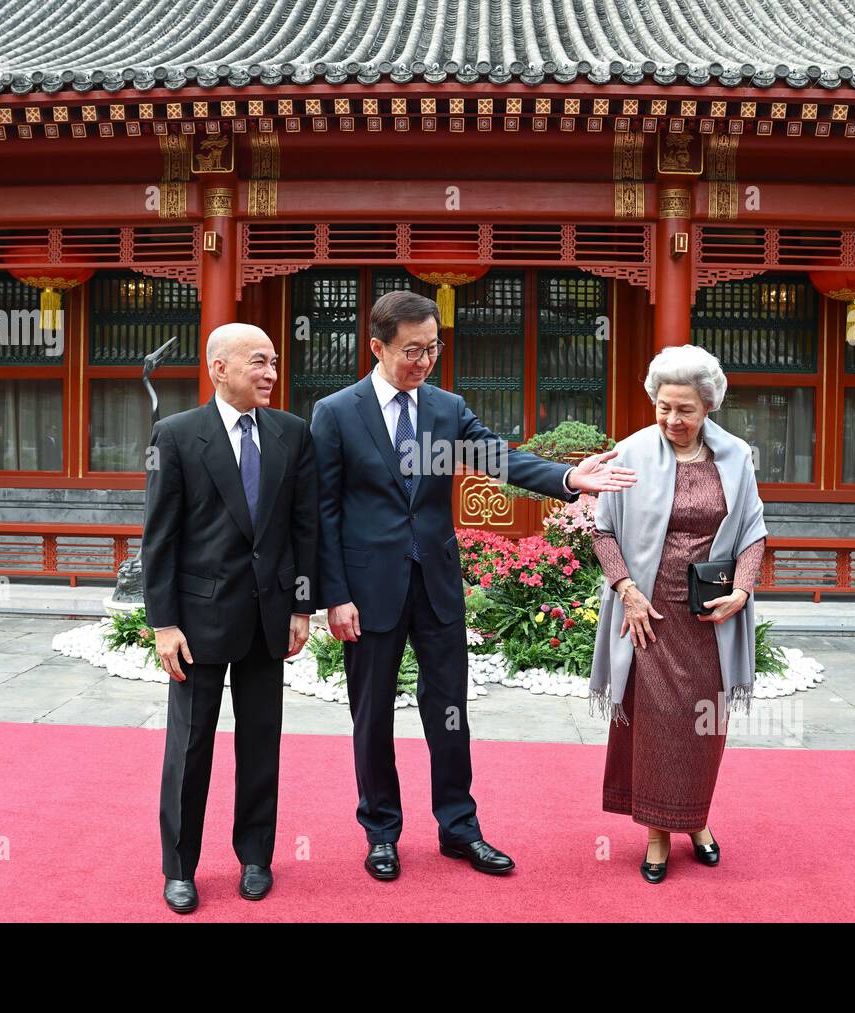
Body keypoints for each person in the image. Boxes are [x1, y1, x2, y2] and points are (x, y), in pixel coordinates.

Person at [312, 289, 637, 881]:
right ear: (377, 347)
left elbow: (499, 457)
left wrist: (569, 476)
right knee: (372, 716)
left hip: (436, 586)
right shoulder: (336, 412)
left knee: (451, 712)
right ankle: (381, 832)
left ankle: (460, 828)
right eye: (411, 350)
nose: (424, 361)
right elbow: (324, 511)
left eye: (433, 348)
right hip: (368, 591)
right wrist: (334, 595)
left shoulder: (443, 408)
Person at [142, 323, 317, 912]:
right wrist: (163, 623)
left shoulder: (292, 433)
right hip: (198, 622)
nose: (271, 373)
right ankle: (180, 867)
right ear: (219, 368)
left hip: (270, 619)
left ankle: (256, 857)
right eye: (258, 362)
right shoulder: (176, 435)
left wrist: (301, 604)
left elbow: (303, 528)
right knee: (190, 748)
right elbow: (159, 540)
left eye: (273, 362)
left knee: (261, 743)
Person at [588, 344, 767, 884]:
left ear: (708, 405)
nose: (672, 419)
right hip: (647, 616)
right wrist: (626, 589)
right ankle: (657, 836)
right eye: (664, 406)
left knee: (705, 725)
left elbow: (754, 532)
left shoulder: (735, 455)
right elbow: (602, 529)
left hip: (710, 615)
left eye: (685, 409)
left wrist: (741, 590)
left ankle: (699, 822)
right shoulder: (631, 453)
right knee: (657, 726)